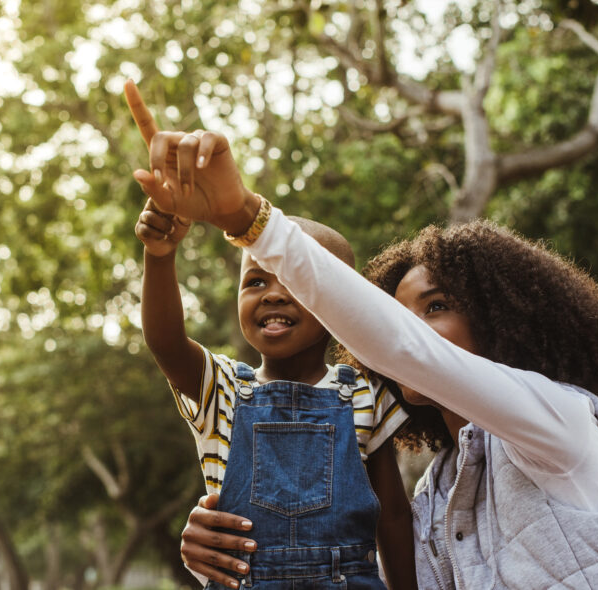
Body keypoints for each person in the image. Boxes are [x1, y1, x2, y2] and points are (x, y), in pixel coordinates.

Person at [124, 80, 598, 589]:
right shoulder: (438, 497)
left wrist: (246, 217)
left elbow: (400, 346)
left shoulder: (558, 422)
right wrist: (214, 557)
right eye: (398, 313)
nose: (409, 331)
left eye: (437, 305)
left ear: (501, 317)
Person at [128, 83, 418, 590]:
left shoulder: (365, 393)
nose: (273, 295)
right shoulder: (220, 390)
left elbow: (392, 516)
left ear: (339, 304)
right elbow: (165, 342)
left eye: (296, 282)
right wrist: (160, 256)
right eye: (255, 281)